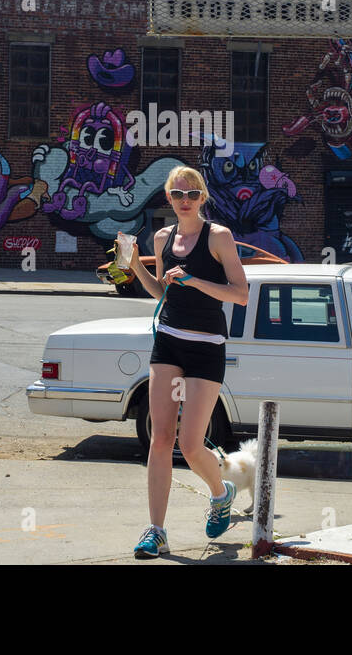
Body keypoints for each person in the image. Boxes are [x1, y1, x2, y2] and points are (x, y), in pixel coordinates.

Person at [127, 165, 249, 559]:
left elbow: (240, 294)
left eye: (192, 194)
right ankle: (156, 530)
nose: (184, 200)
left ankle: (220, 492)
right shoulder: (163, 237)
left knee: (191, 445)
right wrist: (135, 267)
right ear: (168, 197)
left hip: (207, 346)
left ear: (203, 198)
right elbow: (162, 292)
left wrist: (196, 280)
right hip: (168, 341)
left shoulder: (219, 237)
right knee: (160, 439)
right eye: (178, 194)